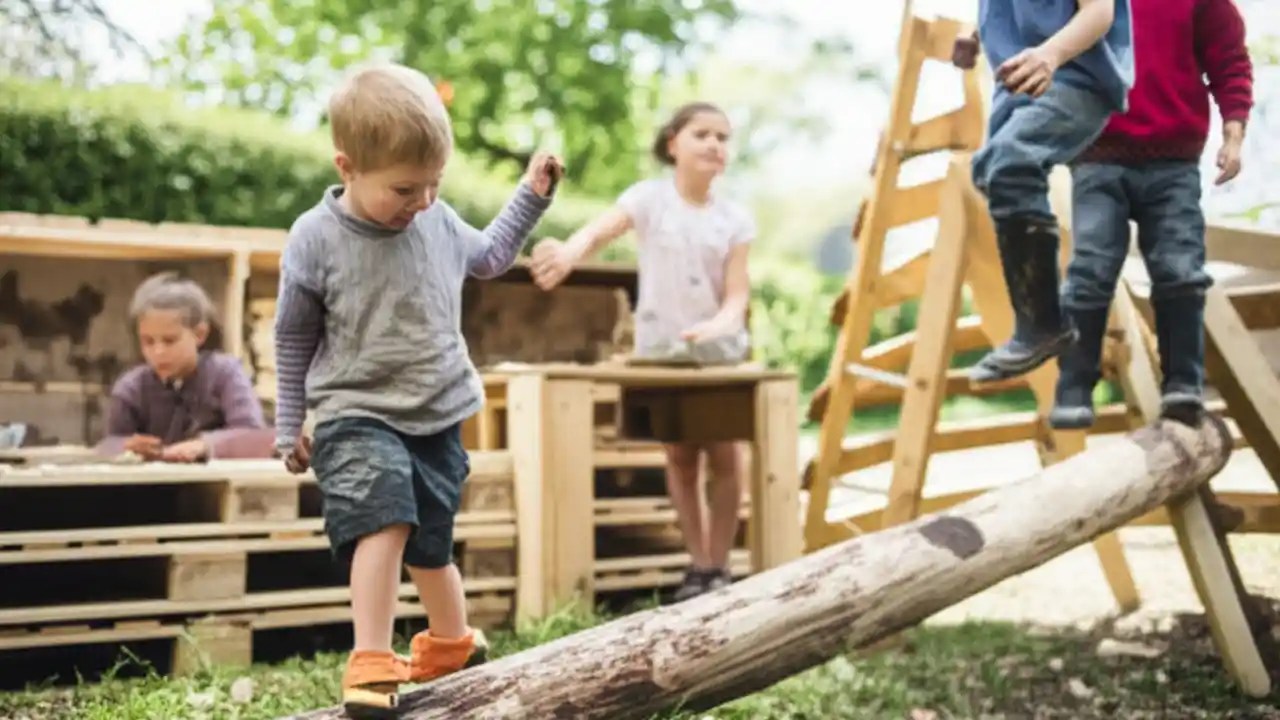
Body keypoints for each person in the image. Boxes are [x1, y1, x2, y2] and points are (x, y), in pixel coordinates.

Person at [272, 61, 562, 718]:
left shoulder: (434, 218)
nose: (423, 200)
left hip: (436, 410)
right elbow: (292, 338)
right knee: (385, 515)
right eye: (405, 188)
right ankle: (371, 658)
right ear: (347, 167)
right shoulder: (315, 239)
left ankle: (450, 643)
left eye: (434, 183)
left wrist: (530, 197)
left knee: (432, 537)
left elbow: (488, 257)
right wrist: (290, 423)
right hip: (355, 411)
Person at [530, 101, 754, 602]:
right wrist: (567, 252)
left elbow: (738, 294)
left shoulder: (735, 219)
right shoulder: (649, 199)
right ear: (673, 143)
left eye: (723, 136)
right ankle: (698, 566)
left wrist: (718, 325)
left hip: (718, 358)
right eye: (703, 134)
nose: (715, 144)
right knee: (680, 458)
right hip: (661, 354)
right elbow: (599, 230)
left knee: (727, 460)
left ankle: (720, 567)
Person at [1050, 0, 1253, 429]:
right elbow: (1023, 23)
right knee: (1090, 271)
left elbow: (1228, 56)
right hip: (1096, 156)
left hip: (1173, 161)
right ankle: (1073, 384)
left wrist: (1234, 130)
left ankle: (1183, 385)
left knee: (1180, 271)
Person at [964, 0, 1135, 384]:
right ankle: (1041, 319)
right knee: (990, 171)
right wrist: (971, 35)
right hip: (1019, 89)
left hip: (1073, 80)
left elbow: (1099, 10)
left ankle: (1041, 324)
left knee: (1010, 163)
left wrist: (1050, 54)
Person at [97, 271, 273, 461]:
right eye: (148, 341)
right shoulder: (132, 387)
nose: (158, 352)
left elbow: (252, 434)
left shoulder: (225, 373)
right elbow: (108, 443)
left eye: (169, 340)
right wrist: (126, 446)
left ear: (200, 334)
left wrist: (205, 446)